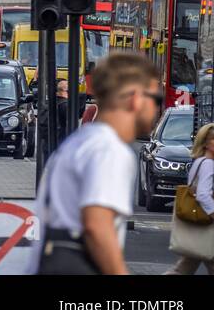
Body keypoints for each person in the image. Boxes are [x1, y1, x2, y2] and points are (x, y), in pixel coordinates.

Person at [31, 51, 162, 275]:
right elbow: (97, 225)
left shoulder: (79, 143)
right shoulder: (109, 149)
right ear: (136, 99)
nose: (158, 108)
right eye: (157, 99)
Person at [167, 123, 214, 276]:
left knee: (182, 270)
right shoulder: (208, 164)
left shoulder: (199, 163)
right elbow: (203, 195)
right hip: (210, 228)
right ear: (205, 143)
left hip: (201, 228)